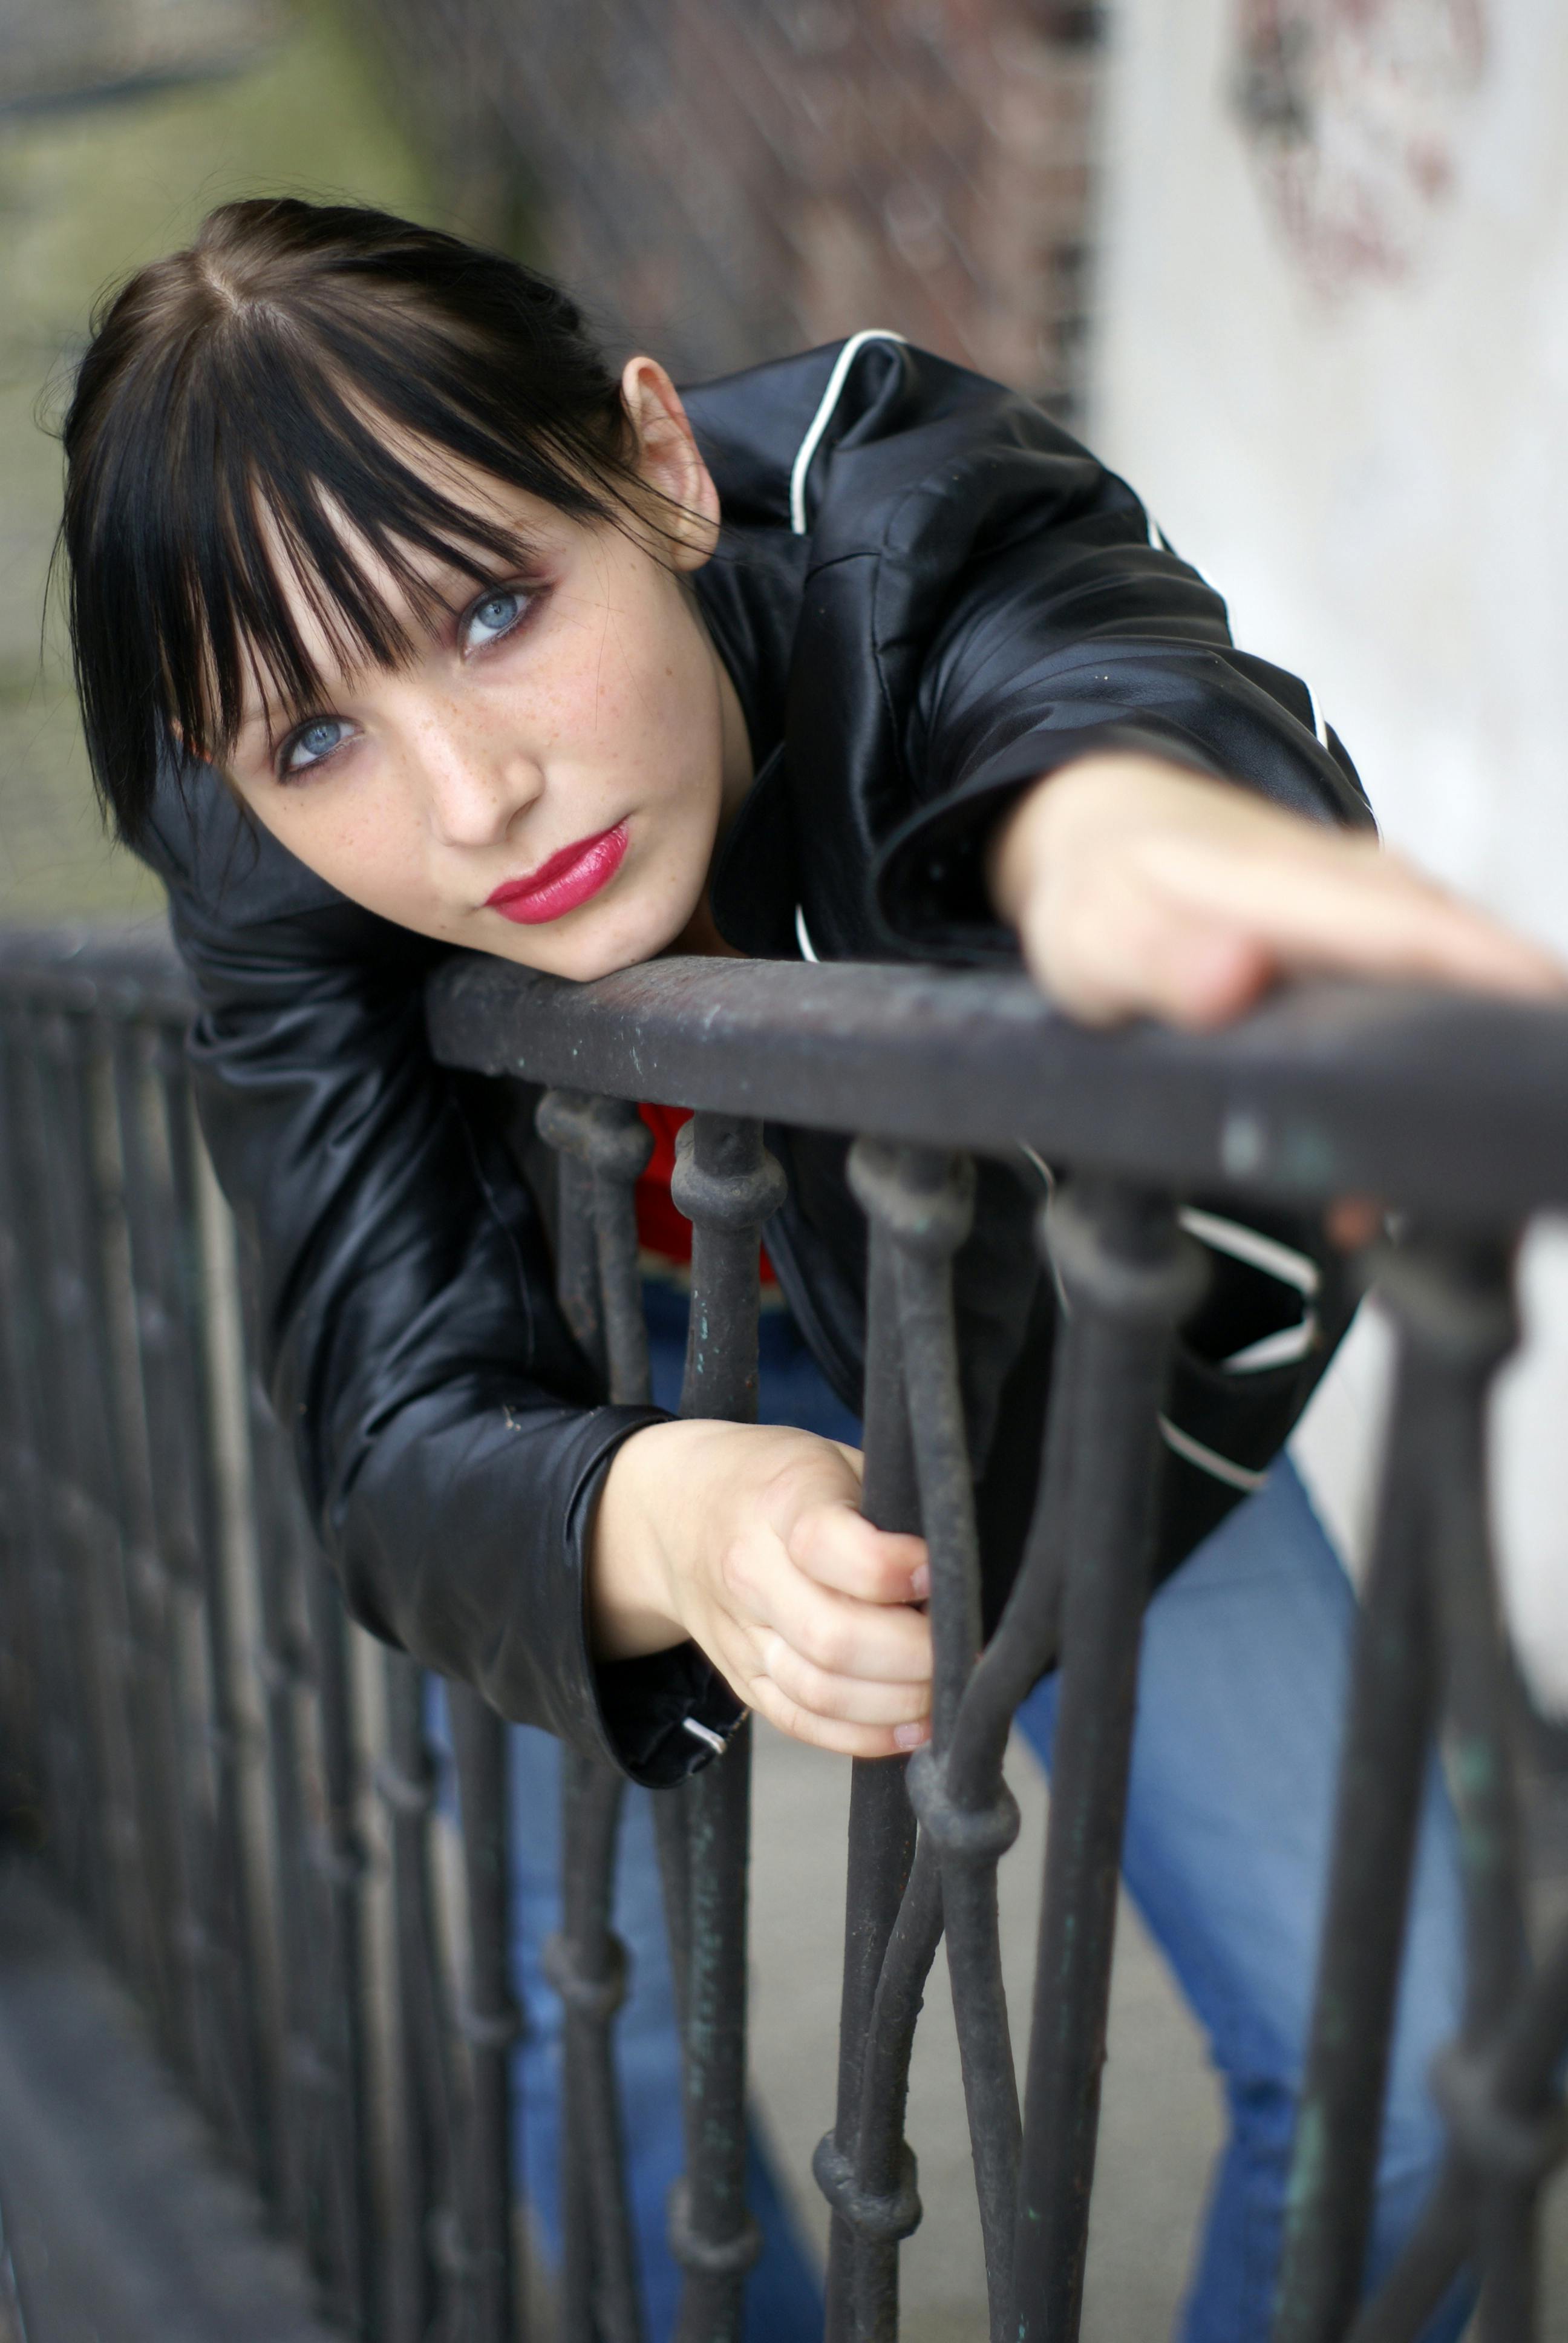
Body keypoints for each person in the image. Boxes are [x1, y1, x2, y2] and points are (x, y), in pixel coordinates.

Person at [57, 198, 1564, 2340]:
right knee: (597, 2048)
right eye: (316, 739)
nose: (474, 794)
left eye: (495, 607)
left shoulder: (890, 489)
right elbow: (377, 1399)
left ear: (658, 468)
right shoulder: (260, 844)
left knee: (1417, 2061)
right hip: (595, 1351)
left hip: (1032, 1330)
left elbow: (1061, 666)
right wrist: (637, 1509)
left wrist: (1103, 837)